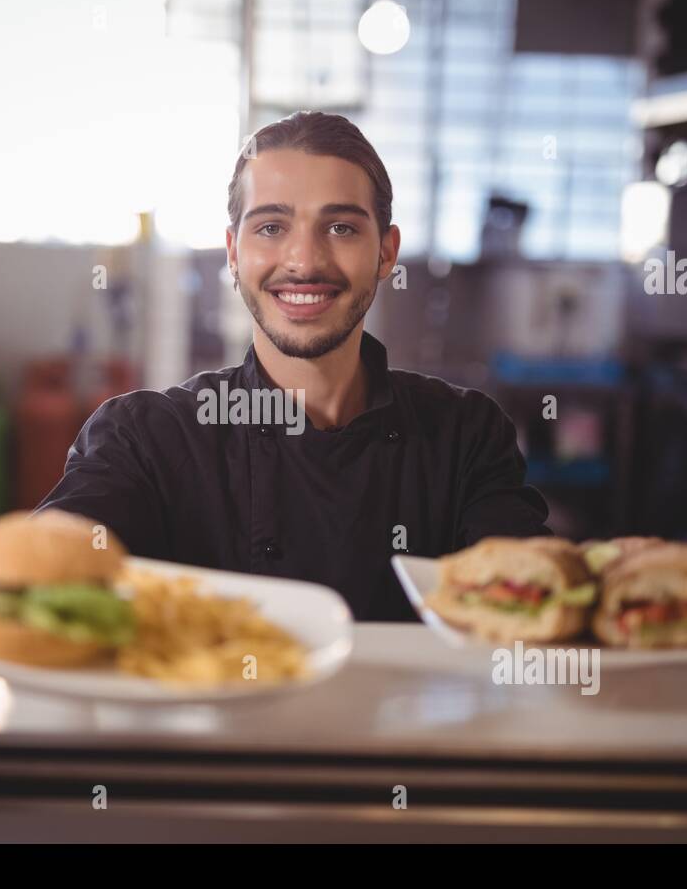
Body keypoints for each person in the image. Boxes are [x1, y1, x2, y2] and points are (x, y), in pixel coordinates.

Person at [40, 110, 549, 621]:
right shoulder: (142, 438)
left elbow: (532, 606)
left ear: (385, 253)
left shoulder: (466, 436)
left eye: (342, 227)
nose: (304, 261)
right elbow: (47, 580)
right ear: (234, 252)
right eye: (271, 227)